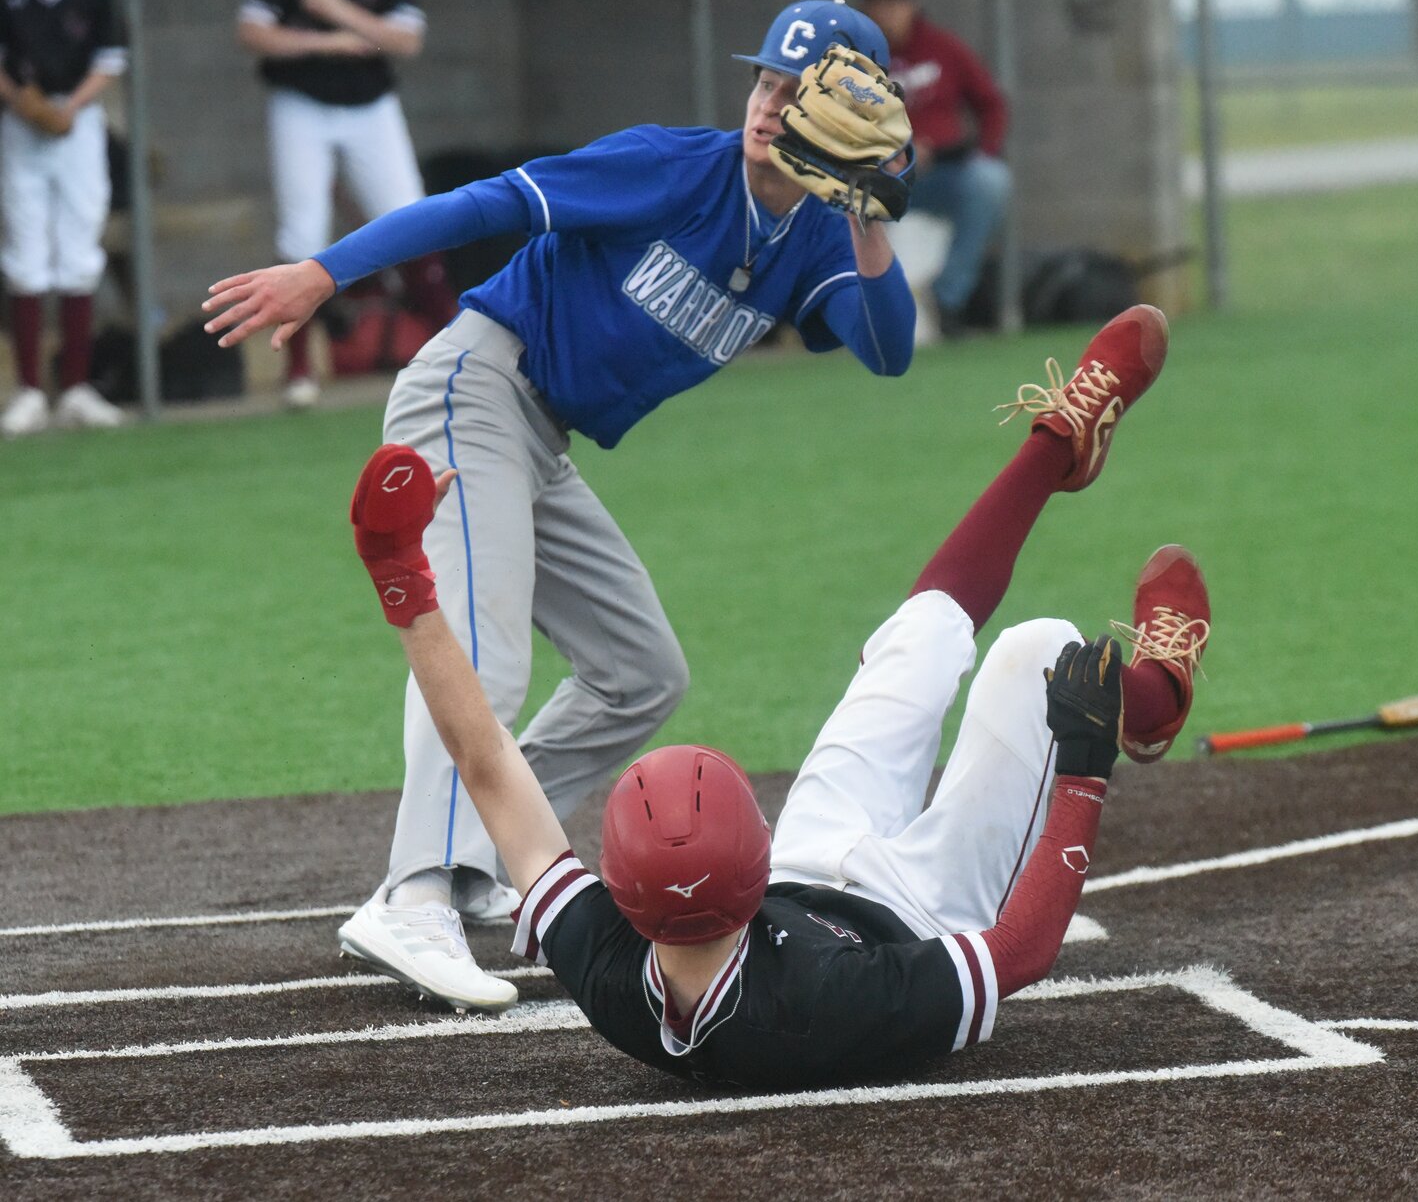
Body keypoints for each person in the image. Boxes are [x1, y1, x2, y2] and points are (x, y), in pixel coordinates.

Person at [205, 0, 918, 1013]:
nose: (769, 105)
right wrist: (325, 271)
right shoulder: (674, 166)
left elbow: (887, 349)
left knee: (641, 673)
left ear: (850, 121)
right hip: (474, 386)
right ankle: (414, 895)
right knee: (485, 652)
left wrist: (869, 213)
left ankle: (486, 840)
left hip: (541, 440)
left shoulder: (810, 239)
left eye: (798, 93)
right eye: (764, 81)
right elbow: (486, 205)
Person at [342, 303, 1212, 1086]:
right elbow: (1018, 952)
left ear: (628, 900)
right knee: (1040, 653)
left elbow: (489, 762)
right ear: (755, 857)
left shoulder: (614, 969)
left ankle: (1059, 446)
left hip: (814, 868)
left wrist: (403, 581)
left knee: (916, 640)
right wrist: (1086, 772)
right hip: (925, 906)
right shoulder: (826, 1003)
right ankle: (1156, 696)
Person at [236, 0, 456, 409]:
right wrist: (327, 43)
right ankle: (298, 369)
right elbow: (252, 33)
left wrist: (334, 11)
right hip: (299, 100)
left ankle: (455, 344)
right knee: (302, 232)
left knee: (413, 219)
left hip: (371, 103)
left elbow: (406, 41)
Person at [0, 0, 127, 439]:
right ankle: (30, 390)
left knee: (79, 246)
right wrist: (20, 100)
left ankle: (76, 387)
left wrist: (69, 108)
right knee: (25, 252)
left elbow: (111, 61)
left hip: (79, 121)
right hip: (21, 120)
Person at [859, 0, 1011, 338]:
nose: (889, 13)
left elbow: (992, 105)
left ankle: (949, 298)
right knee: (826, 196)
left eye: (896, 3)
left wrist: (981, 151)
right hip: (876, 179)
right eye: (880, 5)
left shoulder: (943, 47)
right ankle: (848, 306)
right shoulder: (854, 60)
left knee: (990, 180)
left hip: (938, 174)